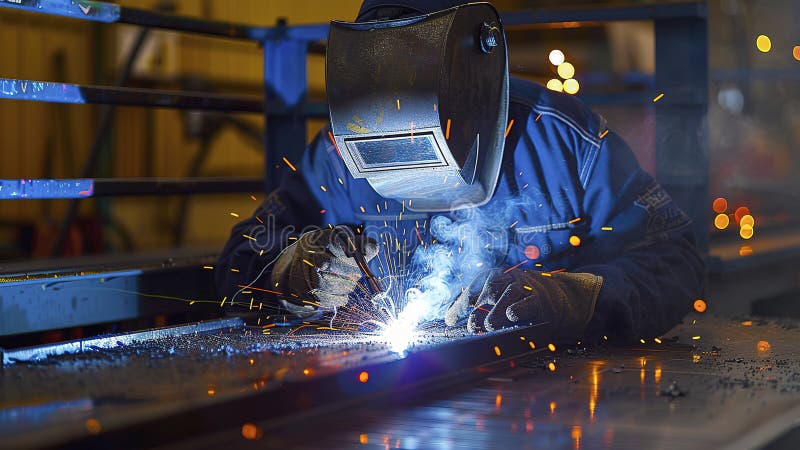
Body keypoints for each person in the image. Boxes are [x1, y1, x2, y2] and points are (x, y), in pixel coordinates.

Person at [215, 0, 705, 343]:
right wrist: (288, 272)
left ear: (468, 90)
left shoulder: (561, 139)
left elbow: (676, 260)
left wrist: (572, 298)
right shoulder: (338, 154)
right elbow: (239, 259)